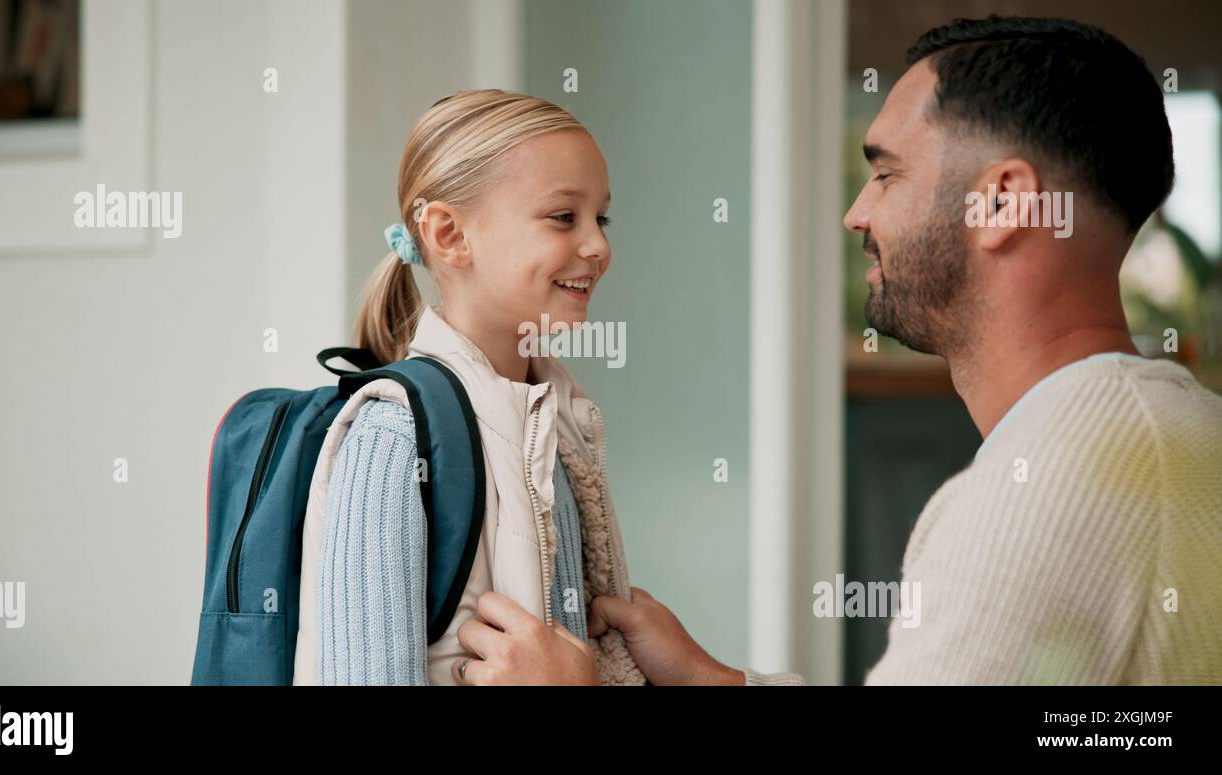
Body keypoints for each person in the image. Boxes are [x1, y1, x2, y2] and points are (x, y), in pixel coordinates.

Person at [453, 16, 1222, 685]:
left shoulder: (1050, 488)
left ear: (1003, 202)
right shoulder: (1171, 433)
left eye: (885, 172)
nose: (857, 212)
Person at [290, 89, 646, 685]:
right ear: (450, 235)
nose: (599, 246)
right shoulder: (394, 439)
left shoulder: (554, 424)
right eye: (565, 217)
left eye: (600, 218)